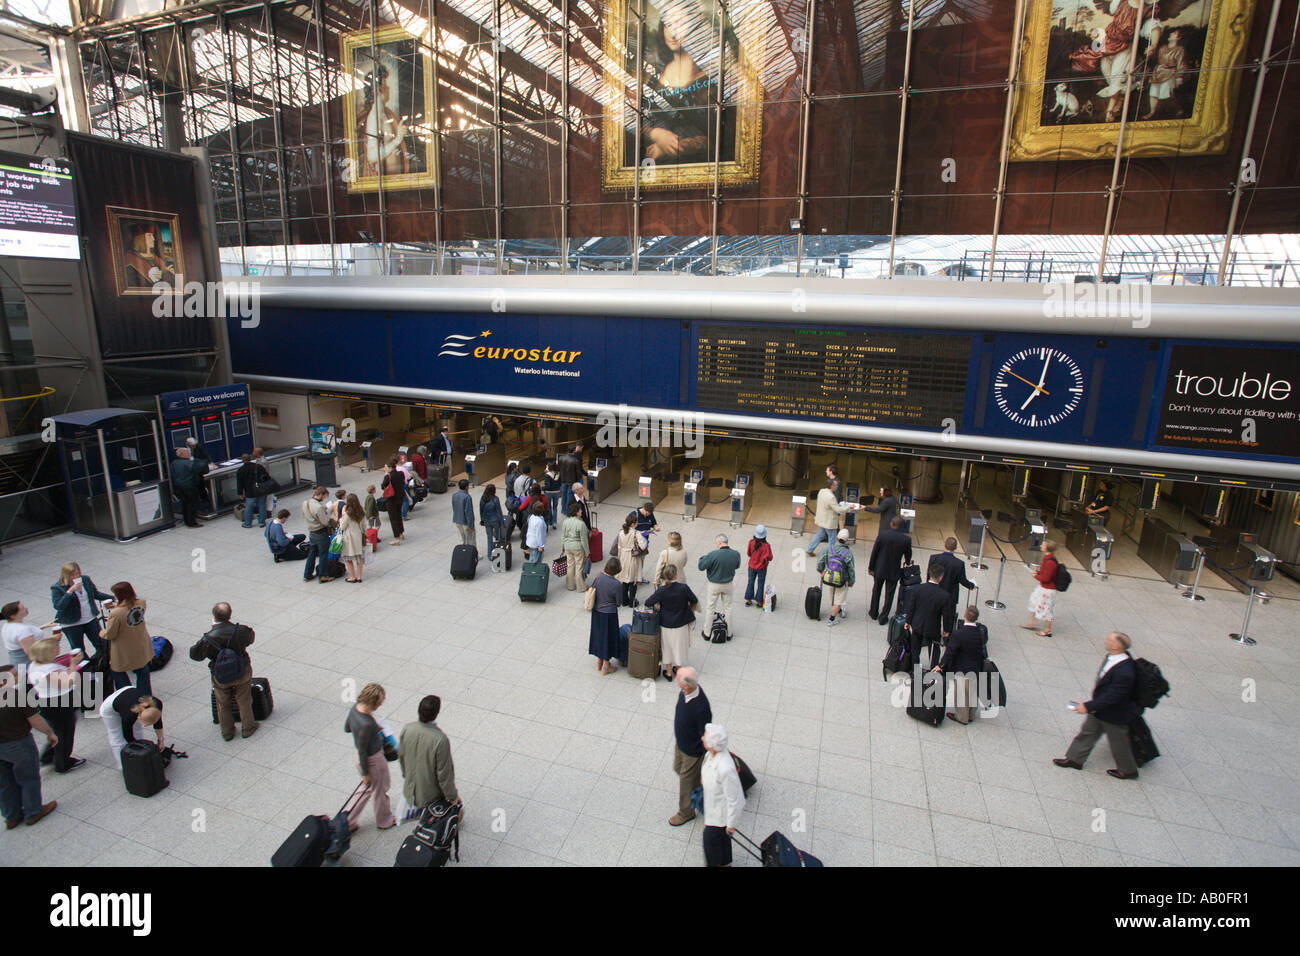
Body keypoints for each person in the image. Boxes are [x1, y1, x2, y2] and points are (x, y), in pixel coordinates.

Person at [1055, 632, 1141, 779]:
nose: (1105, 640)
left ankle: (1128, 770)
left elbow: (1113, 697)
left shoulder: (1125, 672)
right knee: (1087, 732)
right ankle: (1075, 759)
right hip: (1100, 709)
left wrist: (1088, 706)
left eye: (1109, 639)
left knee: (1118, 743)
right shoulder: (1112, 657)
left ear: (1116, 646)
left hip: (1114, 713)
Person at [189, 602, 258, 741]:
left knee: (223, 703)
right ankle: (248, 728)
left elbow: (195, 655)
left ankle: (227, 732)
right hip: (241, 670)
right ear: (230, 614)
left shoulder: (208, 638)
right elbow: (251, 638)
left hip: (220, 674)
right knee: (244, 700)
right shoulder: (240, 630)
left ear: (214, 616)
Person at [0, 664, 58, 828]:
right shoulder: (16, 696)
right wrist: (50, 733)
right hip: (19, 744)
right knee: (28, 778)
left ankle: (12, 816)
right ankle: (33, 811)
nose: (18, 677)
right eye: (13, 675)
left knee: (5, 782)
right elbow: (35, 720)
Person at [26, 638, 85, 773]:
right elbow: (68, 682)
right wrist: (73, 664)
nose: (58, 648)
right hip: (59, 702)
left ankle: (48, 756)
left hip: (46, 701)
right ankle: (63, 763)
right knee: (65, 733)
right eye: (54, 648)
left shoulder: (34, 664)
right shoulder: (50, 670)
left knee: (57, 731)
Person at [345, 682, 397, 831]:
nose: (380, 705)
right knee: (380, 790)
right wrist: (366, 773)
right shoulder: (367, 724)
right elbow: (363, 750)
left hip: (361, 758)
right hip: (372, 760)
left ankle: (347, 821)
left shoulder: (355, 708)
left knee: (366, 789)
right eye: (379, 702)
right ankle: (385, 821)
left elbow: (347, 728)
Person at [399, 694, 461, 812]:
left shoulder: (407, 729)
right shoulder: (440, 740)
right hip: (431, 796)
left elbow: (401, 756)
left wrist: (407, 777)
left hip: (410, 788)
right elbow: (444, 774)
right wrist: (452, 797)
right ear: (436, 714)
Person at [669, 666, 711, 826]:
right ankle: (698, 784)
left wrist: (702, 754)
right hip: (681, 744)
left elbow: (705, 734)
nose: (676, 681)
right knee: (678, 769)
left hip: (692, 752)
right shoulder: (684, 692)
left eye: (678, 679)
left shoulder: (701, 707)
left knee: (685, 782)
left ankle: (686, 812)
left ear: (686, 685)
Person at [699, 722, 745, 866]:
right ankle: (726, 863)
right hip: (713, 809)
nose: (702, 738)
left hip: (719, 818)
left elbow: (736, 799)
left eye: (705, 737)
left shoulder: (726, 769)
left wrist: (731, 824)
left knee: (711, 844)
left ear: (712, 744)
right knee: (722, 842)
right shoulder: (711, 753)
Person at [642, 565, 698, 681]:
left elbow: (648, 602)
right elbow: (694, 600)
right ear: (676, 575)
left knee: (666, 647)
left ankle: (668, 672)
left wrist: (658, 605)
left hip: (665, 623)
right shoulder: (683, 588)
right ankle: (678, 668)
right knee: (678, 646)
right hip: (681, 622)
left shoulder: (661, 590)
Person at [933, 606, 987, 724]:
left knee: (962, 692)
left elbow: (950, 652)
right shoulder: (981, 631)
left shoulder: (959, 633)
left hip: (962, 668)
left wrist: (940, 665)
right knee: (972, 691)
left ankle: (962, 717)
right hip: (976, 666)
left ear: (965, 615)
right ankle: (971, 714)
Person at [50, 563, 113, 659]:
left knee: (101, 644)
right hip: (71, 623)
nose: (76, 577)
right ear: (66, 575)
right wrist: (70, 592)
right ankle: (87, 672)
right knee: (79, 650)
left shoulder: (85, 579)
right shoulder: (57, 587)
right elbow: (59, 606)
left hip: (90, 618)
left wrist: (114, 597)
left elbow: (95, 594)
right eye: (72, 575)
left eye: (77, 574)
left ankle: (103, 667)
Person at [101, 582, 153, 697]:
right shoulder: (141, 603)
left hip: (124, 648)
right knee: (142, 669)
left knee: (118, 671)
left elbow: (110, 634)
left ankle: (128, 696)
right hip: (140, 642)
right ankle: (145, 696)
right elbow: (129, 612)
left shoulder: (116, 613)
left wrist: (102, 632)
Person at [904, 565, 955, 671]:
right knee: (934, 649)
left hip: (917, 624)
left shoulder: (918, 588)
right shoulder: (944, 595)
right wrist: (946, 630)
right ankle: (933, 669)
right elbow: (946, 615)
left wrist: (908, 621)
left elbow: (911, 607)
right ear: (941, 577)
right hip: (933, 627)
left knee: (915, 648)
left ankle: (915, 669)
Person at [99, 684, 163, 768]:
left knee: (138, 729)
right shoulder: (129, 716)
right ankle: (124, 766)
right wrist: (137, 750)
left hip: (129, 693)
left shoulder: (157, 704)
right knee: (117, 736)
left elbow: (158, 722)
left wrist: (161, 740)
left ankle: (139, 760)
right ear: (139, 716)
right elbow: (127, 735)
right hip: (110, 707)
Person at [868, 515, 913, 624]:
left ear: (891, 524)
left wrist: (871, 567)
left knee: (876, 590)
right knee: (890, 594)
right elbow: (908, 554)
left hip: (880, 568)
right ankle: (883, 617)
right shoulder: (906, 539)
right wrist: (907, 562)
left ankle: (873, 612)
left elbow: (875, 552)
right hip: (894, 570)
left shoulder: (883, 535)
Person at [697, 534, 741, 635]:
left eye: (717, 543)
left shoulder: (713, 555)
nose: (716, 545)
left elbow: (701, 566)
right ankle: (729, 633)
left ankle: (707, 633)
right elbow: (737, 566)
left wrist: (703, 557)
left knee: (710, 608)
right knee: (728, 607)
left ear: (720, 543)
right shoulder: (736, 554)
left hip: (714, 584)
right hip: (728, 584)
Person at [588, 558, 623, 676]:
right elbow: (619, 602)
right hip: (609, 614)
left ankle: (599, 662)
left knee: (599, 635)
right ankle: (606, 665)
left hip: (597, 612)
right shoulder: (617, 584)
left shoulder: (599, 577)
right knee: (609, 637)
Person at [928, 537, 976, 620]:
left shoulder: (934, 558)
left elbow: (929, 575)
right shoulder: (959, 564)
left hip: (934, 592)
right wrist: (972, 585)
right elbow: (962, 580)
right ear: (955, 548)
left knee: (932, 616)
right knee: (948, 618)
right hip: (950, 596)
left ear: (944, 545)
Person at [817, 528, 856, 625]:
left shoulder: (828, 548)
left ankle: (837, 610)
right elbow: (851, 569)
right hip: (842, 580)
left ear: (837, 538)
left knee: (832, 595)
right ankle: (832, 619)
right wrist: (851, 581)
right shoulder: (848, 554)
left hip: (829, 577)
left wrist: (822, 571)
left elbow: (820, 561)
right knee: (839, 599)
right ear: (846, 540)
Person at [1023, 540, 1061, 637]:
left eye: (1043, 544)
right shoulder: (1047, 558)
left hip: (1048, 590)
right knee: (1033, 600)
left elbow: (1046, 578)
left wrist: (1036, 576)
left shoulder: (1050, 562)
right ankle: (1033, 622)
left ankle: (1047, 630)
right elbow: (1045, 573)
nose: (1041, 545)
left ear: (1047, 548)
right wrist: (1038, 573)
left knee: (1047, 608)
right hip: (1043, 588)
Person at [806, 475, 850, 556]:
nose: (837, 486)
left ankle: (810, 549)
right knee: (832, 539)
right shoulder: (831, 497)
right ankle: (832, 554)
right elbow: (838, 510)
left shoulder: (822, 491)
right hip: (829, 522)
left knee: (819, 535)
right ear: (832, 486)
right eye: (836, 485)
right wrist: (848, 507)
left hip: (822, 519)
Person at [302, 486, 338, 581]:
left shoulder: (306, 503)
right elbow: (325, 522)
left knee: (312, 553)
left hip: (312, 532)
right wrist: (328, 513)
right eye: (325, 496)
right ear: (321, 495)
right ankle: (323, 575)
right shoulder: (318, 507)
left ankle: (307, 574)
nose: (324, 498)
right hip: (320, 533)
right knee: (323, 554)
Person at [1, 602, 47, 673]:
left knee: (22, 682)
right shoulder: (22, 630)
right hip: (27, 666)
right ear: (13, 616)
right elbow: (31, 652)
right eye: (22, 609)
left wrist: (40, 628)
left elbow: (19, 636)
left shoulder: (7, 625)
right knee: (27, 683)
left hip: (17, 663)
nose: (26, 608)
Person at [170, 446, 208, 528]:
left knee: (185, 504)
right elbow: (200, 467)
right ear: (183, 454)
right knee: (192, 504)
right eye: (187, 453)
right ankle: (192, 522)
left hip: (179, 486)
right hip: (190, 486)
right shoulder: (188, 463)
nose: (189, 454)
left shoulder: (174, 463)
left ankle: (187, 521)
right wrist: (199, 460)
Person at [236, 452, 272, 528]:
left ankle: (248, 523)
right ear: (250, 459)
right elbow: (266, 477)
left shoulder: (241, 470)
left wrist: (240, 493)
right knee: (262, 505)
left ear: (242, 460)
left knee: (249, 507)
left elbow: (239, 483)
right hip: (261, 490)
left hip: (250, 492)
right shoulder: (258, 467)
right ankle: (261, 522)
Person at [616, 514, 646, 606]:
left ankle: (624, 601)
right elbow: (643, 546)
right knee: (633, 580)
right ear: (633, 524)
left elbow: (619, 546)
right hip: (633, 557)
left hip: (623, 557)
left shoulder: (621, 532)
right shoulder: (636, 533)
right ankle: (632, 601)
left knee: (624, 579)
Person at [560, 502, 591, 591]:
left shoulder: (565, 522)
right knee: (579, 567)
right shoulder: (581, 524)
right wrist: (587, 552)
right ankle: (581, 587)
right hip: (578, 547)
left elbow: (563, 535)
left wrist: (563, 546)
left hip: (567, 547)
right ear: (577, 512)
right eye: (580, 510)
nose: (581, 511)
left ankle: (570, 585)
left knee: (570, 566)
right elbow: (584, 539)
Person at [338, 493, 367, 583]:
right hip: (358, 535)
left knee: (348, 558)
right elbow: (364, 526)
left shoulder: (347, 514)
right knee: (359, 558)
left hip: (348, 537)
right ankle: (359, 577)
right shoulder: (362, 511)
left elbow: (342, 526)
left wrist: (340, 520)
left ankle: (352, 577)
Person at [744, 525, 774, 608]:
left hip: (751, 566)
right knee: (760, 584)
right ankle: (759, 602)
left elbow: (749, 553)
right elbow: (770, 557)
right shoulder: (766, 546)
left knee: (750, 582)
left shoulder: (751, 542)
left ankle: (748, 599)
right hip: (762, 568)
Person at [381, 459, 406, 546]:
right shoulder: (401, 474)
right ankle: (401, 533)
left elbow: (382, 486)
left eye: (386, 467)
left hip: (391, 499)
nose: (385, 469)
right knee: (398, 515)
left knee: (393, 518)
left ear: (390, 468)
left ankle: (396, 538)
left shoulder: (388, 477)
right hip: (400, 498)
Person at [480, 483, 507, 560]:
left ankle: (489, 555)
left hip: (486, 521)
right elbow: (499, 512)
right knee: (498, 537)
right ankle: (498, 553)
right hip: (495, 520)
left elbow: (481, 510)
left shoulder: (483, 499)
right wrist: (502, 523)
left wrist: (482, 520)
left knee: (489, 537)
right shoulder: (495, 499)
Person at [557, 443, 584, 518]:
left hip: (563, 480)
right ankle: (568, 510)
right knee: (569, 496)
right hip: (571, 481)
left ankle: (563, 510)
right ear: (574, 450)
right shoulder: (575, 460)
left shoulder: (561, 458)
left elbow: (559, 469)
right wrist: (578, 482)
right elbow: (578, 473)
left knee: (563, 495)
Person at [452, 479, 476, 548]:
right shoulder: (467, 497)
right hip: (465, 522)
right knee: (471, 540)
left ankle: (463, 553)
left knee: (463, 539)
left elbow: (454, 507)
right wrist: (471, 525)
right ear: (466, 487)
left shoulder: (454, 495)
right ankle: (472, 555)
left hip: (457, 520)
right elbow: (469, 512)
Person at [524, 499, 549, 564]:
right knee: (536, 560)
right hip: (536, 544)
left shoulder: (531, 517)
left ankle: (531, 571)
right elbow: (539, 535)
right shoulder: (539, 522)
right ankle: (534, 572)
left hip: (531, 541)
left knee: (532, 557)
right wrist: (541, 546)